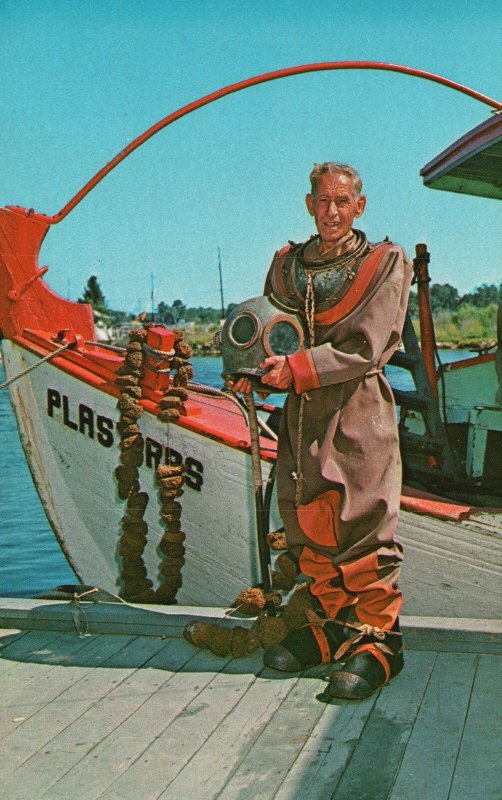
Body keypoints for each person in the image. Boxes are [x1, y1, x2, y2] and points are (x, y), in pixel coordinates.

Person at [232, 162, 412, 700]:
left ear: (360, 206)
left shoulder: (386, 262)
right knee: (308, 518)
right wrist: (249, 370)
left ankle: (380, 640)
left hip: (358, 410)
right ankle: (334, 627)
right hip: (300, 414)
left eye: (342, 202)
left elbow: (367, 346)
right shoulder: (285, 264)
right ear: (309, 204)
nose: (332, 212)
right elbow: (272, 332)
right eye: (322, 201)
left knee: (361, 520)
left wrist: (299, 369)